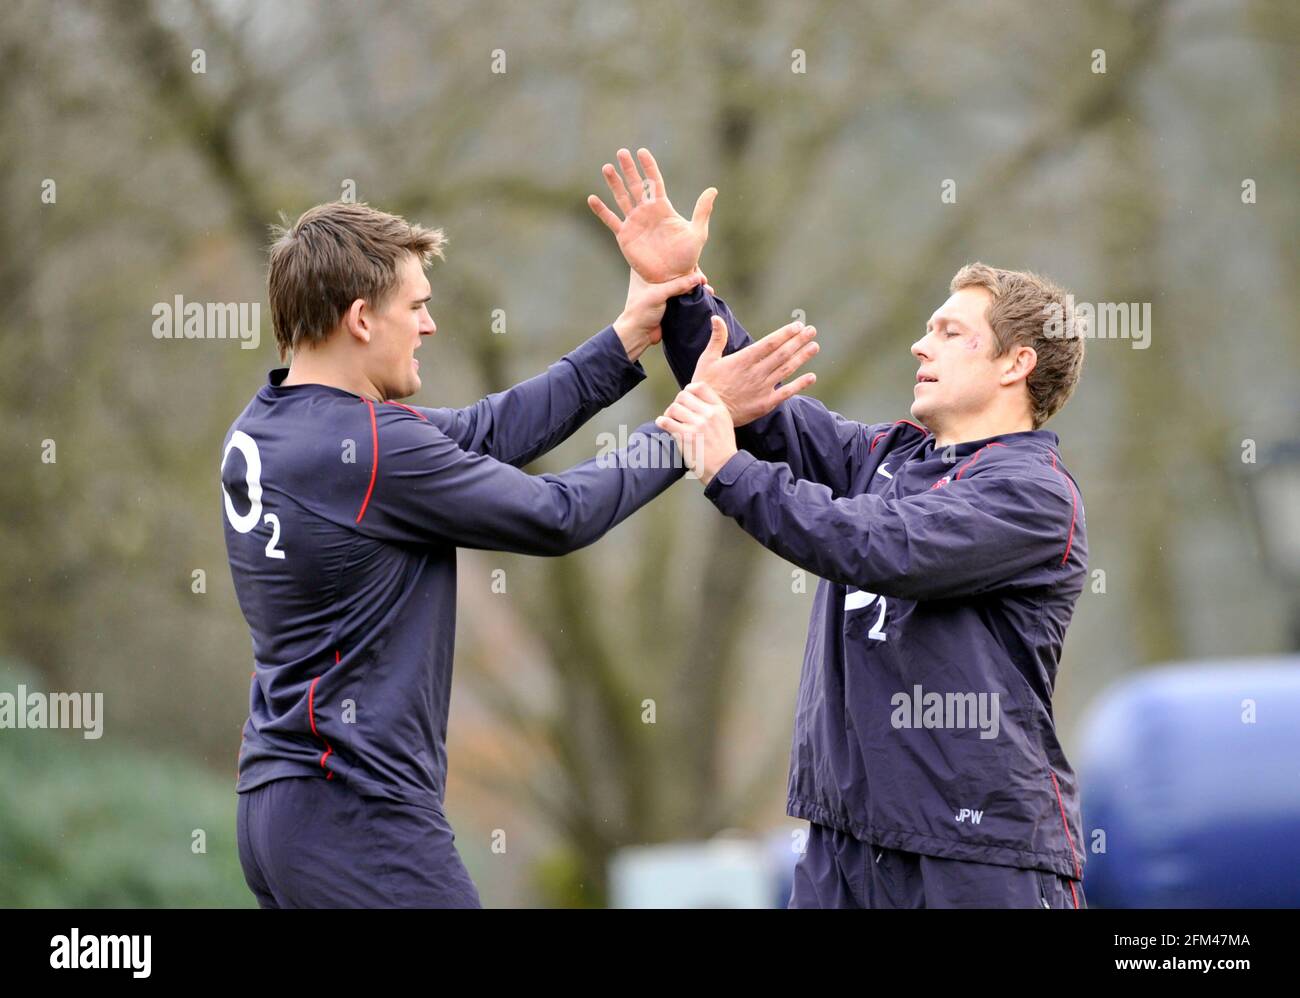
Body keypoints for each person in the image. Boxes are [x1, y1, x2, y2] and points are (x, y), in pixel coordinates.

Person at [221, 200, 818, 907]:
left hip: (275, 810)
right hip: (360, 813)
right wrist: (696, 421)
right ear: (360, 319)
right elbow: (557, 515)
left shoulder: (273, 425)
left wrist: (626, 338)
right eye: (415, 306)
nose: (428, 324)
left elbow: (482, 431)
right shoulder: (372, 449)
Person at [589, 147, 1090, 909]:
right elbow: (765, 410)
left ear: (1016, 363)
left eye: (952, 333)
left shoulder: (1033, 494)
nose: (921, 345)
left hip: (977, 854)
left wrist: (728, 472)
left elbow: (885, 547)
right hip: (843, 847)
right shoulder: (887, 456)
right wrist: (682, 290)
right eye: (927, 329)